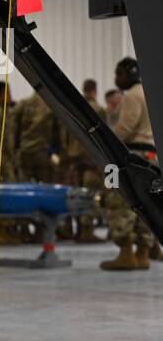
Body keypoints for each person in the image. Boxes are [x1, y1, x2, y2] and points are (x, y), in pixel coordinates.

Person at [100, 57, 156, 270]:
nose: (116, 79)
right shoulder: (148, 91)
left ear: (130, 74)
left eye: (119, 74)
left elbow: (126, 126)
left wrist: (106, 142)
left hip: (133, 153)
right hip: (150, 154)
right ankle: (142, 253)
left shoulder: (132, 95)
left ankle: (126, 254)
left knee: (120, 201)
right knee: (147, 203)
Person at [61, 79, 109, 242]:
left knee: (74, 193)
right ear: (95, 90)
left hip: (74, 159)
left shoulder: (71, 108)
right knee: (91, 193)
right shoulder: (99, 109)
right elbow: (103, 135)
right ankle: (86, 231)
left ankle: (74, 229)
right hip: (91, 159)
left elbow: (64, 134)